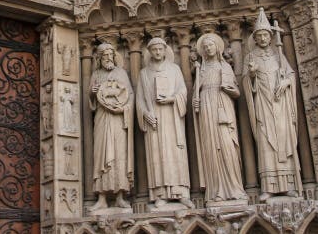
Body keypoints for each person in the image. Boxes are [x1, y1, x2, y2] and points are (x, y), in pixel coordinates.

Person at [243, 8, 302, 201]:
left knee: (284, 140)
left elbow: (290, 75)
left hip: (280, 105)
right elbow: (246, 83)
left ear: (270, 36)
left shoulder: (279, 55)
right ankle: (268, 187)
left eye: (265, 35)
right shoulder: (251, 57)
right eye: (259, 36)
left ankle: (290, 185)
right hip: (263, 105)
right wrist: (251, 74)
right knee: (266, 142)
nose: (262, 38)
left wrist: (286, 83)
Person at [136, 37, 193, 209]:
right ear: (150, 52)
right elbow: (139, 99)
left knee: (176, 152)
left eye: (160, 49)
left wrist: (172, 99)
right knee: (157, 154)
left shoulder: (174, 69)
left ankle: (181, 192)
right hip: (155, 119)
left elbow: (183, 91)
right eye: (154, 50)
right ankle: (159, 193)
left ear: (165, 50)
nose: (158, 52)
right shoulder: (144, 73)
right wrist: (145, 114)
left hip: (172, 117)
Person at [193, 32, 247, 206]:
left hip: (223, 106)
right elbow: (195, 92)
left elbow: (237, 92)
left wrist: (227, 89)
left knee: (227, 146)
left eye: (211, 45)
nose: (208, 48)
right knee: (210, 148)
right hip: (207, 109)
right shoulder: (200, 70)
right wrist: (196, 99)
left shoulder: (225, 67)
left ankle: (235, 188)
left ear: (217, 48)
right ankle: (216, 190)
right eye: (205, 46)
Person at [88, 43, 134, 212]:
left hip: (118, 119)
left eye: (110, 55)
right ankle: (101, 198)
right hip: (102, 117)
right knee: (101, 155)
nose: (108, 58)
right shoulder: (96, 74)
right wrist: (92, 93)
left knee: (119, 154)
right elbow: (91, 100)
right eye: (104, 55)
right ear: (99, 59)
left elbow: (129, 95)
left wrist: (124, 108)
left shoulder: (121, 73)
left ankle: (121, 196)